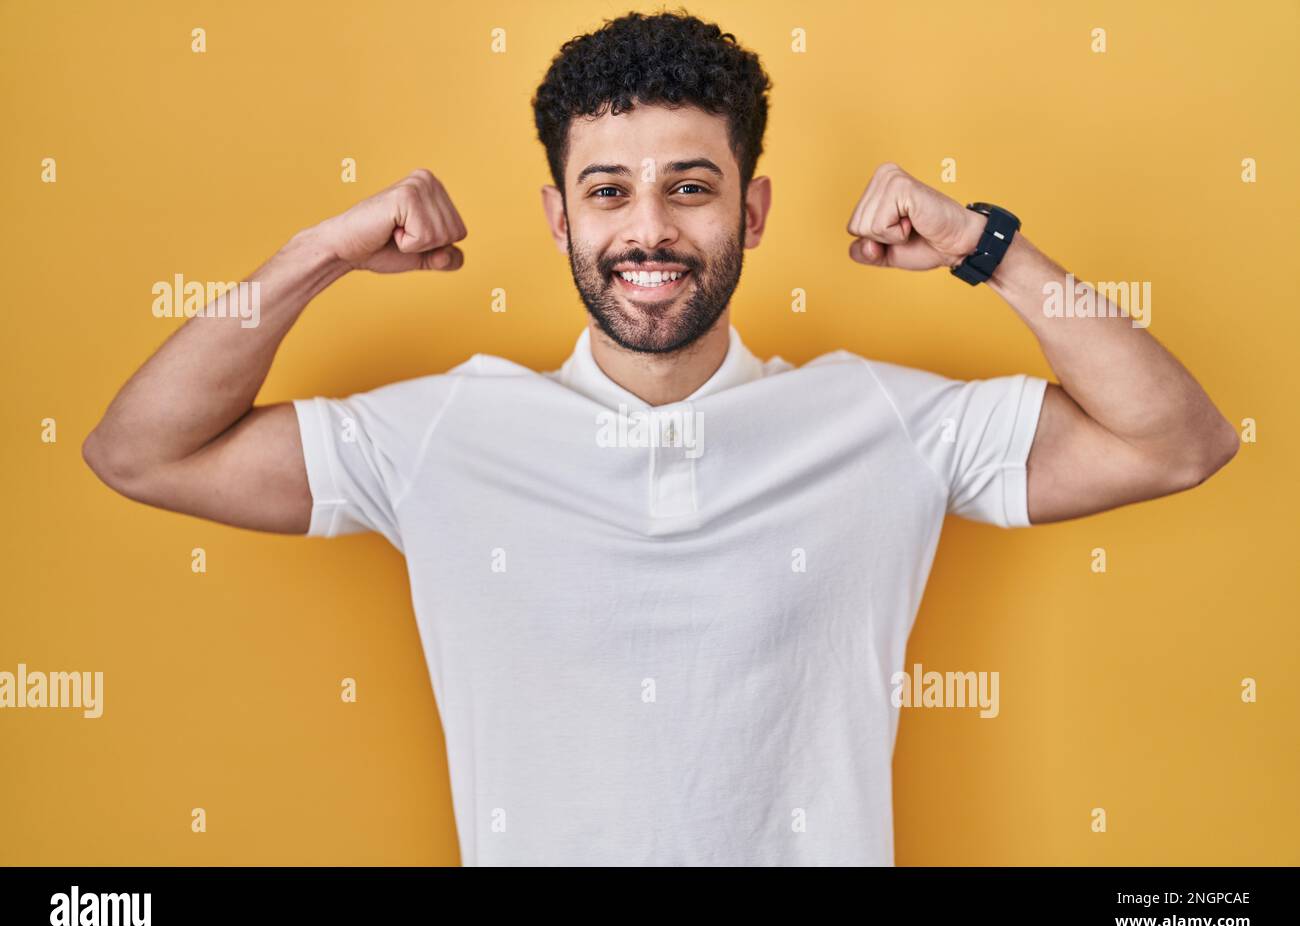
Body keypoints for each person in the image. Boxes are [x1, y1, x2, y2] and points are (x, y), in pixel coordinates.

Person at [82, 11, 1238, 865]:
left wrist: (988, 246)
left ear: (753, 210)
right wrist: (320, 251)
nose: (648, 229)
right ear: (558, 218)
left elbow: (1176, 441)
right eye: (607, 191)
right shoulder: (446, 430)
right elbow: (142, 451)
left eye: (690, 187)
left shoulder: (879, 420)